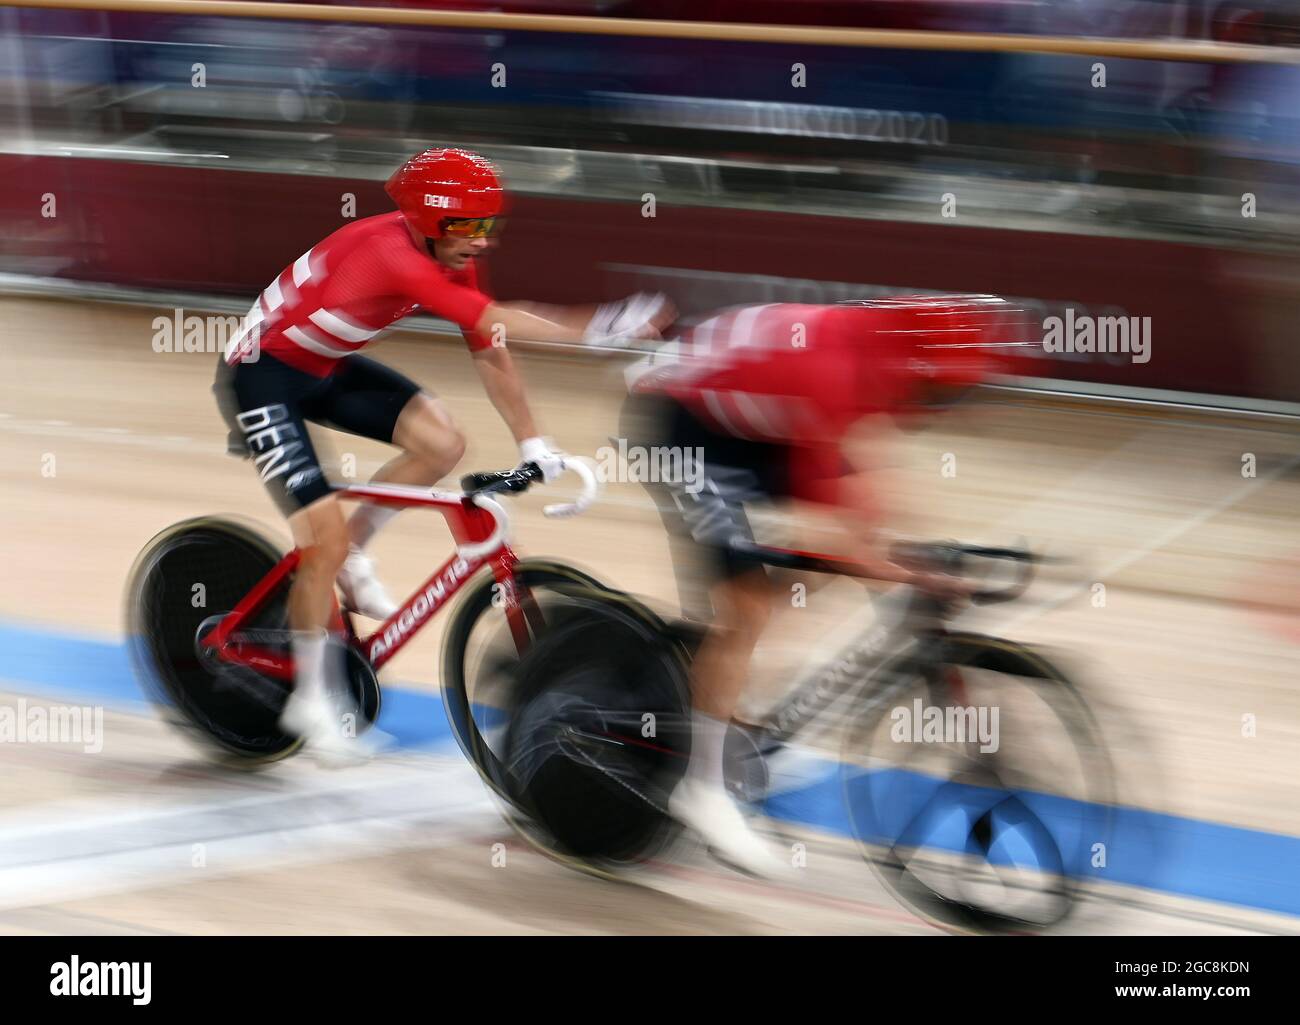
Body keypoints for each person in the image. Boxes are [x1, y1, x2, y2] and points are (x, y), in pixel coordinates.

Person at [214, 147, 673, 761]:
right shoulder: (390, 255)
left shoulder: (451, 251)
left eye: (489, 226)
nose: (482, 241)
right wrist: (604, 325)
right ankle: (312, 696)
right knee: (318, 538)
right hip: (261, 376)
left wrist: (534, 443)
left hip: (323, 366)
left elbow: (489, 343)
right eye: (469, 226)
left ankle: (350, 554)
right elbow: (503, 318)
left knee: (443, 443)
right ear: (431, 223)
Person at [619, 294, 1025, 875]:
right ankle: (702, 788)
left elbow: (868, 486)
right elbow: (847, 507)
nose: (941, 407)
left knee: (849, 554)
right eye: (942, 393)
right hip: (684, 427)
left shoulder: (875, 353)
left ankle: (719, 678)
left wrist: (910, 553)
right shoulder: (836, 370)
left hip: (750, 420)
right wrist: (897, 563)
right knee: (751, 607)